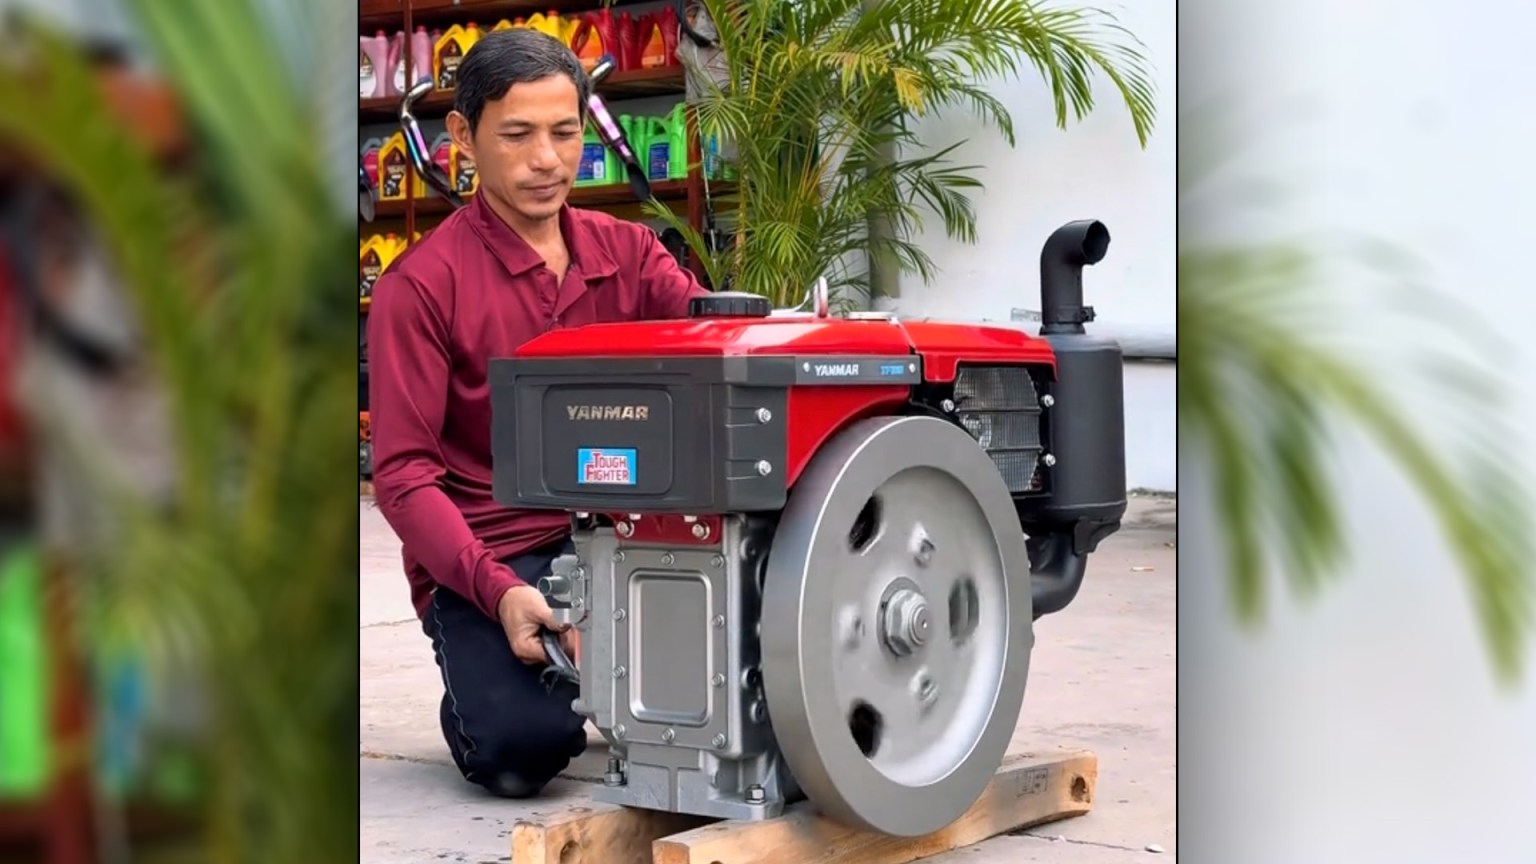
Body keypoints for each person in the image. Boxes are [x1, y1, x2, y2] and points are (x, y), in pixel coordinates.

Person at [366, 29, 709, 799]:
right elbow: (404, 479)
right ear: (464, 135)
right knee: (521, 755)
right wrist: (497, 591)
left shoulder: (631, 254)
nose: (547, 159)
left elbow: (711, 343)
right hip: (497, 557)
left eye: (564, 132)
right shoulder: (419, 287)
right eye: (517, 135)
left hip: (627, 534)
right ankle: (479, 684)